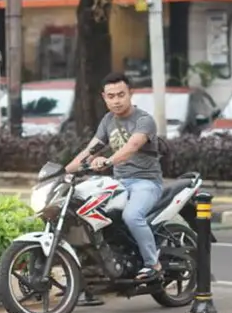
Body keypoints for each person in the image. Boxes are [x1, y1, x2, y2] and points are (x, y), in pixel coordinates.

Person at [66, 72, 164, 282]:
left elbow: (132, 147)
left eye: (121, 94)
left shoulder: (144, 120)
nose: (116, 100)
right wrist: (64, 171)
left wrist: (108, 161)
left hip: (145, 182)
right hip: (117, 183)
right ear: (104, 97)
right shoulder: (108, 121)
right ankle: (96, 269)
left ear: (131, 94)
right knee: (87, 213)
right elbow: (90, 150)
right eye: (111, 96)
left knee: (132, 216)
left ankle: (153, 264)